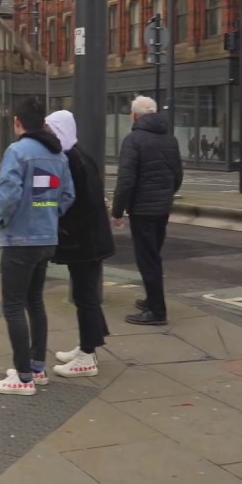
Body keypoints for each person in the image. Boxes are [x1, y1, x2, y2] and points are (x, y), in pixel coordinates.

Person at [0, 97, 74, 396]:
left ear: (17, 122)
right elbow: (67, 195)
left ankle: (23, 377)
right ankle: (37, 368)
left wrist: (1, 221)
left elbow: (8, 194)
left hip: (20, 240)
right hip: (46, 239)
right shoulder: (58, 156)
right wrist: (48, 214)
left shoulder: (17, 152)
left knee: (13, 306)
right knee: (35, 303)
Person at [45, 110, 115, 378]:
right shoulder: (79, 156)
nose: (48, 135)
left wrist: (63, 226)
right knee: (86, 295)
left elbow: (81, 204)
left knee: (85, 297)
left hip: (85, 241)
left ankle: (87, 355)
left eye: (51, 130)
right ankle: (88, 345)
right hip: (90, 240)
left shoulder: (72, 160)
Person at [111, 95, 183, 326]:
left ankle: (157, 311)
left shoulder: (133, 140)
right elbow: (177, 175)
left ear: (134, 116)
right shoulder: (170, 139)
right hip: (162, 208)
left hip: (142, 209)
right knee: (153, 255)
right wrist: (166, 196)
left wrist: (117, 211)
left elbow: (126, 180)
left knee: (147, 259)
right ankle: (151, 300)